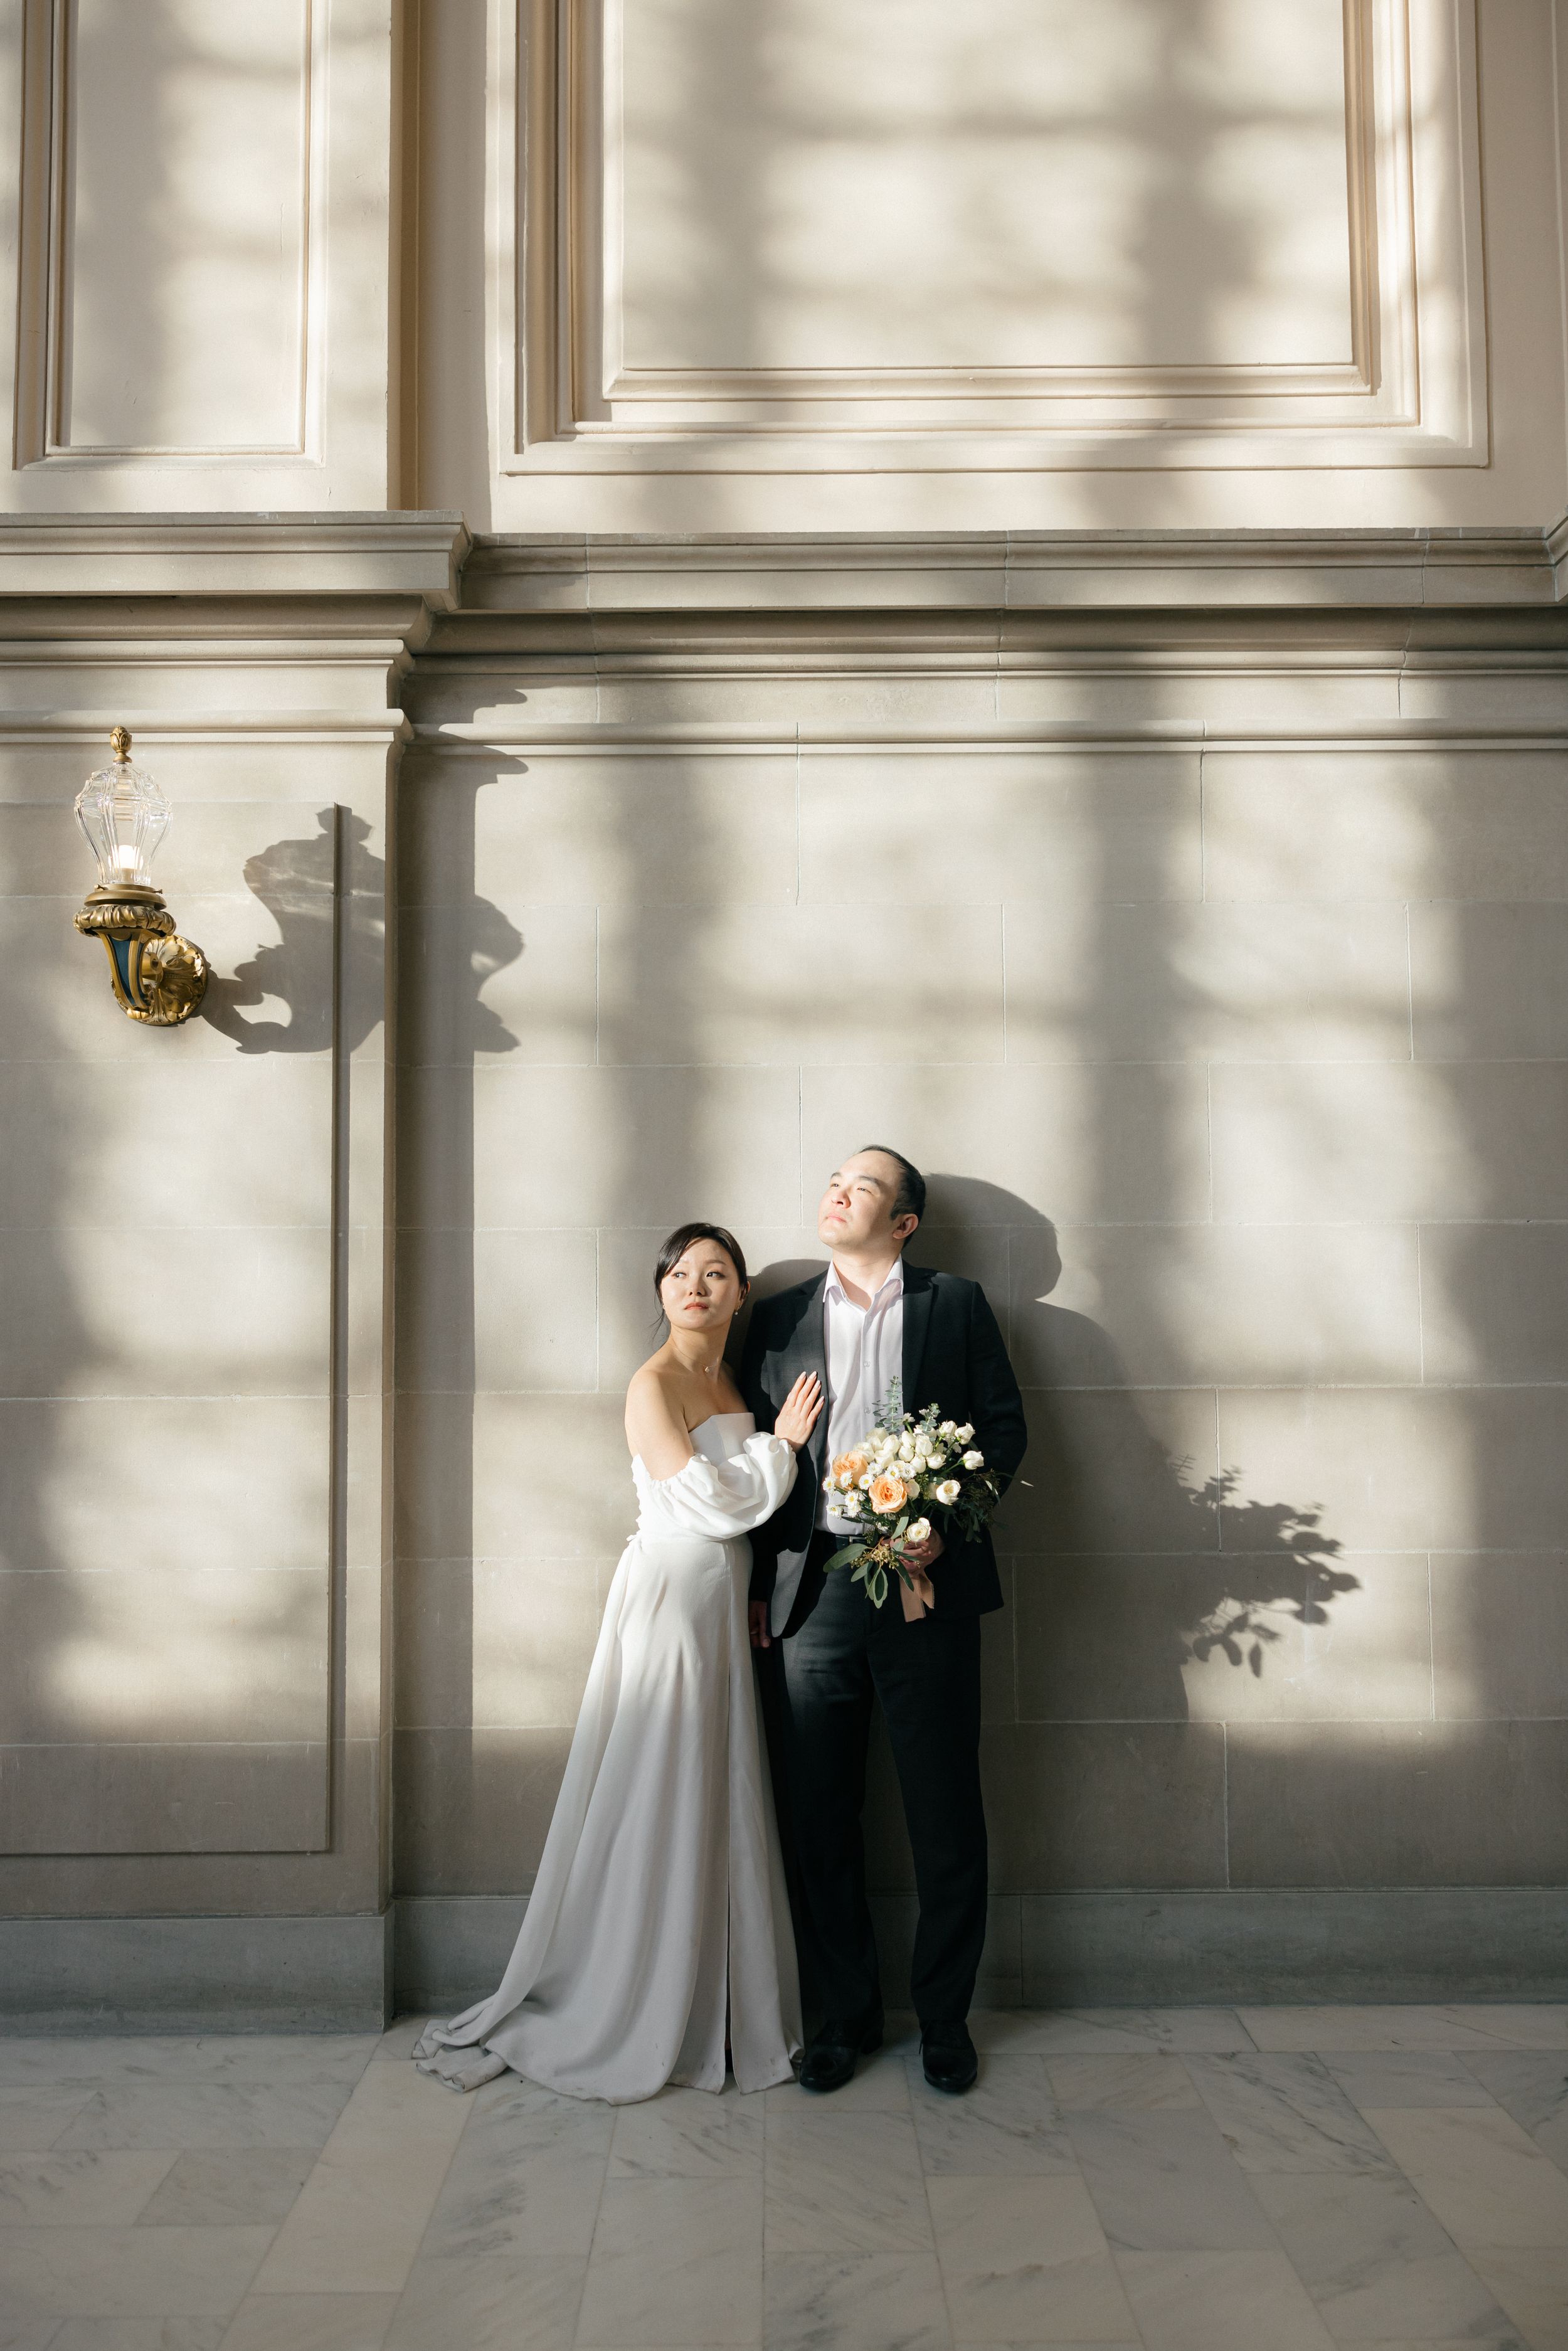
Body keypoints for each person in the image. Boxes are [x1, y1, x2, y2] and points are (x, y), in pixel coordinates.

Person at [413, 1224, 824, 2103]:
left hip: (719, 1604)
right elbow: (708, 1504)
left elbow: (740, 1513)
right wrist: (782, 1449)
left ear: (741, 1293)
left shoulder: (724, 1380)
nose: (698, 1287)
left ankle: (711, 1997)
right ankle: (635, 2001)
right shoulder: (654, 1384)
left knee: (717, 1786)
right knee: (666, 1784)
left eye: (717, 1274)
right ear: (661, 1288)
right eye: (682, 1273)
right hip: (675, 1599)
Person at [742, 1148, 1027, 2096]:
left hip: (926, 1590)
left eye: (860, 1185)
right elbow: (751, 1454)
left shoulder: (956, 1304)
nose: (835, 1191)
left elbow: (1001, 1429)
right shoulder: (779, 1316)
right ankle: (845, 2019)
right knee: (819, 1816)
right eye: (830, 1178)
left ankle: (945, 2021)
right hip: (813, 1592)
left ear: (903, 1221)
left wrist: (939, 1527)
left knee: (944, 1810)